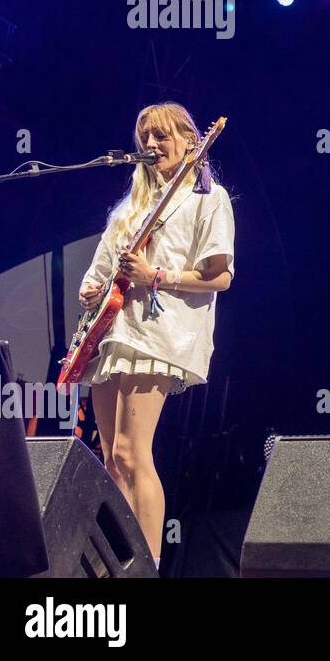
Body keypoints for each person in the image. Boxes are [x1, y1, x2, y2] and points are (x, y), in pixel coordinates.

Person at [77, 103, 234, 569]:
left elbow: (219, 277)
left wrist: (155, 275)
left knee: (132, 451)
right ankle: (115, 561)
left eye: (163, 136)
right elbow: (102, 270)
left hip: (158, 333)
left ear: (190, 141)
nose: (152, 145)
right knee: (112, 460)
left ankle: (145, 564)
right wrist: (91, 288)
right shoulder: (131, 207)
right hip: (114, 334)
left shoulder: (209, 198)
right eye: (146, 137)